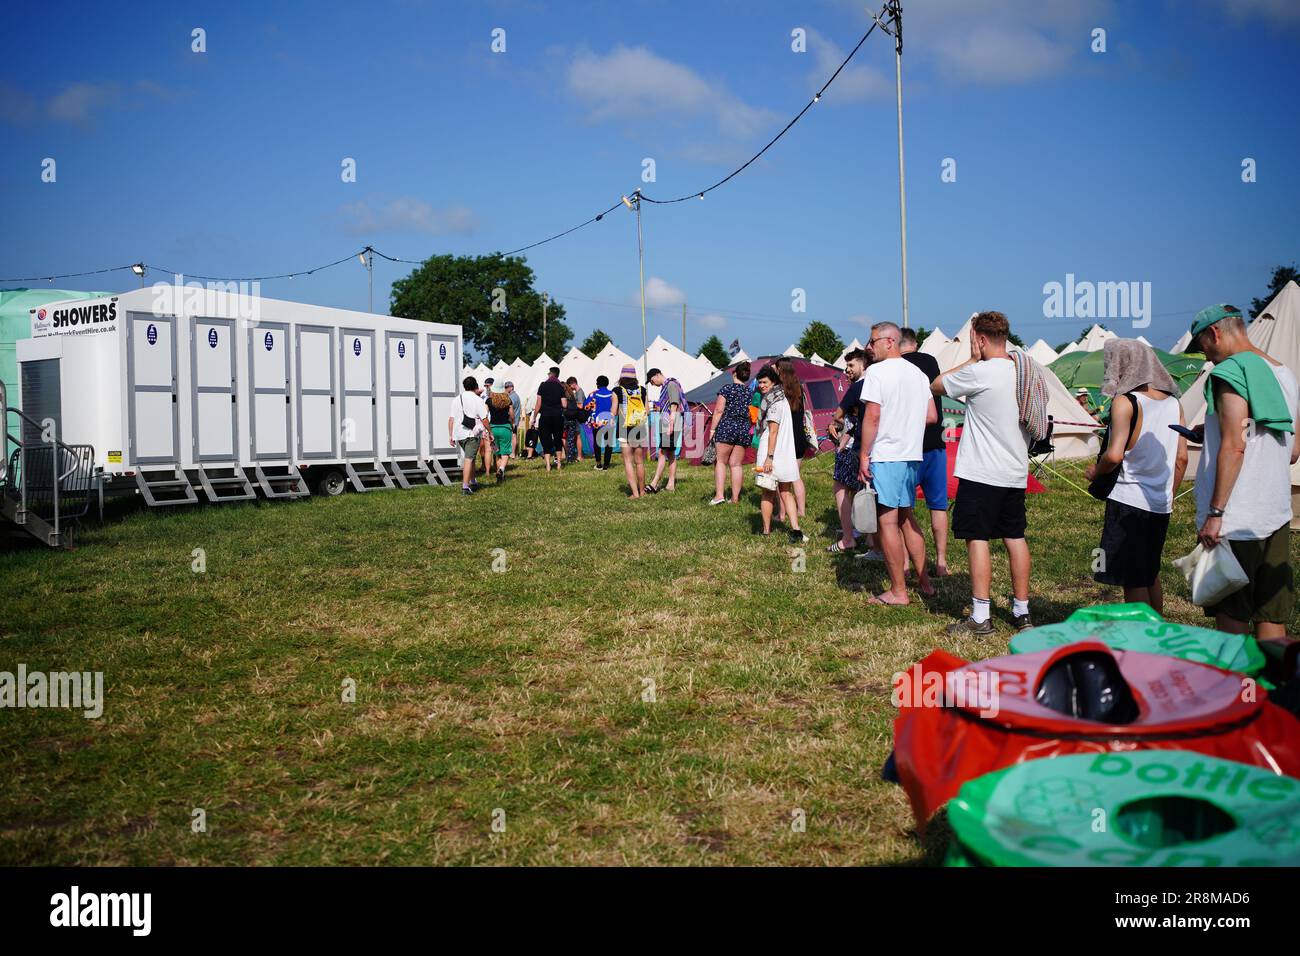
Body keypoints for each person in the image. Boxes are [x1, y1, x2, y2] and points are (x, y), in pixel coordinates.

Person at [1189, 304, 1299, 638]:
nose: (1206, 357)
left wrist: (1216, 513)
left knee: (1231, 617)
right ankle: (1273, 689)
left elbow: (1236, 445)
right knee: (1271, 616)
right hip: (1274, 513)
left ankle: (1236, 690)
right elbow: (1293, 450)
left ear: (1215, 334)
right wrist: (1209, 433)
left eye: (1203, 346)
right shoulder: (1284, 373)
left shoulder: (1230, 372)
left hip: (1236, 519)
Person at [932, 311, 1033, 635]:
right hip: (1015, 470)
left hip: (981, 472)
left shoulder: (980, 372)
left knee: (978, 539)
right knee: (1015, 538)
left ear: (980, 339)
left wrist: (972, 360)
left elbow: (935, 385)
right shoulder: (1022, 371)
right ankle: (1022, 611)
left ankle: (980, 615)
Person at [1085, 338, 1187, 613]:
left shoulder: (1126, 402)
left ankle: (1142, 643)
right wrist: (1169, 495)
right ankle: (1158, 633)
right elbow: (1181, 458)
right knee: (1149, 571)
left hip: (1128, 501)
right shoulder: (1174, 404)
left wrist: (1096, 471)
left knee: (1132, 578)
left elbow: (1115, 455)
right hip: (1160, 504)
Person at [858, 323, 937, 606]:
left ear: (889, 341)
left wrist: (864, 454)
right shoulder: (917, 373)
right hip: (912, 453)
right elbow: (931, 416)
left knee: (887, 521)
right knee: (906, 518)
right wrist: (906, 420)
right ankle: (924, 584)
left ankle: (898, 591)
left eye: (872, 341)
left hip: (887, 453)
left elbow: (873, 417)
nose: (869, 347)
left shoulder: (877, 372)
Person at [900, 328, 950, 576]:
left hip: (907, 448)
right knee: (938, 506)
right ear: (916, 343)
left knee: (903, 508)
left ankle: (907, 564)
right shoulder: (930, 361)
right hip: (935, 443)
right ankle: (941, 563)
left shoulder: (896, 366)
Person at [754, 365, 805, 543]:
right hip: (784, 451)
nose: (761, 385)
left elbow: (773, 431)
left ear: (773, 381)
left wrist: (769, 457)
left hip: (773, 452)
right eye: (759, 382)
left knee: (767, 492)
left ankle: (766, 530)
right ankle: (796, 529)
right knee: (785, 492)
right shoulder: (782, 398)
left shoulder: (773, 402)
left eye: (765, 382)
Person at [828, 349, 868, 552]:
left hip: (854, 446)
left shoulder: (857, 388)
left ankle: (848, 537)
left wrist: (838, 425)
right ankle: (867, 537)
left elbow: (838, 416)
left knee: (840, 488)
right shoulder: (877, 384)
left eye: (851, 366)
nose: (847, 370)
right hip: (874, 447)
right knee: (864, 491)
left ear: (863, 364)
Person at [708, 361, 753, 505]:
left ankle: (719, 495)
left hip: (727, 427)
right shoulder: (750, 392)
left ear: (734, 374)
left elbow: (719, 411)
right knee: (736, 464)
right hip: (743, 429)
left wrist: (712, 429)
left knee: (720, 461)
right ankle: (735, 499)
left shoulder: (727, 389)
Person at [775, 357, 808, 521]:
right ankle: (801, 510)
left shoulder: (779, 391)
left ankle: (781, 514)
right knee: (795, 477)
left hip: (785, 438)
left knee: (781, 480)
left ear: (780, 370)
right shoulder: (799, 388)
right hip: (799, 437)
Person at [448, 375, 489, 495]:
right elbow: (485, 419)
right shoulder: (478, 400)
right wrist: (490, 432)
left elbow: (451, 419)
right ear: (475, 386)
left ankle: (473, 481)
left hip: (459, 434)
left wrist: (450, 435)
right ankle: (465, 487)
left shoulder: (456, 399)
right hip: (472, 433)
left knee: (469, 457)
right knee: (469, 459)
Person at [614, 364, 650, 498]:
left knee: (628, 461)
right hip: (639, 427)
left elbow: (614, 412)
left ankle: (635, 494)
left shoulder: (617, 390)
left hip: (624, 428)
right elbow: (647, 411)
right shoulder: (642, 390)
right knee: (639, 461)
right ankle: (642, 492)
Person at [647, 368, 685, 494]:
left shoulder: (671, 384)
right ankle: (670, 484)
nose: (652, 384)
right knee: (670, 454)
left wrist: (671, 424)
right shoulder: (666, 386)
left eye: (652, 381)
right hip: (668, 421)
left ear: (657, 375)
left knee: (662, 452)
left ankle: (654, 483)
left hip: (671, 421)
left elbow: (674, 404)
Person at [533, 366, 567, 472]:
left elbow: (538, 404)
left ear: (551, 374)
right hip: (557, 416)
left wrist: (534, 417)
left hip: (545, 416)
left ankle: (548, 465)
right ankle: (559, 464)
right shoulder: (561, 387)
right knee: (558, 440)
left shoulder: (542, 386)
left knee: (545, 440)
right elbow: (564, 404)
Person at [486, 382, 516, 483]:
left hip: (493, 428)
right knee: (505, 452)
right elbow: (512, 415)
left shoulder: (489, 400)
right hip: (505, 428)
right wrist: (513, 423)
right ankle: (502, 469)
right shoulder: (508, 400)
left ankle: (500, 475)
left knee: (497, 453)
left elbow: (484, 414)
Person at [587, 375, 617, 470]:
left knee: (597, 443)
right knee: (609, 443)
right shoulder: (612, 394)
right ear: (607, 384)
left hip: (597, 423)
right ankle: (606, 465)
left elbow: (586, 406)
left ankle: (599, 464)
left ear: (597, 384)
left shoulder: (593, 394)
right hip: (609, 421)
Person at [563, 376, 587, 465]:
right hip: (576, 416)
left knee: (578, 436)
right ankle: (577, 455)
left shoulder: (579, 392)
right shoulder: (577, 392)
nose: (569, 388)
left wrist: (571, 404)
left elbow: (580, 406)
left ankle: (580, 456)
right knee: (576, 436)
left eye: (570, 385)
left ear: (573, 384)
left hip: (578, 416)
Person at [504, 381, 522, 456]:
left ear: (511, 387)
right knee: (513, 435)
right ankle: (513, 452)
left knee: (513, 435)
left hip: (512, 420)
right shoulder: (514, 396)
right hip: (514, 419)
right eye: (505, 387)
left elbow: (509, 409)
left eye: (507, 387)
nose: (505, 389)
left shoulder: (513, 397)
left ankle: (512, 453)